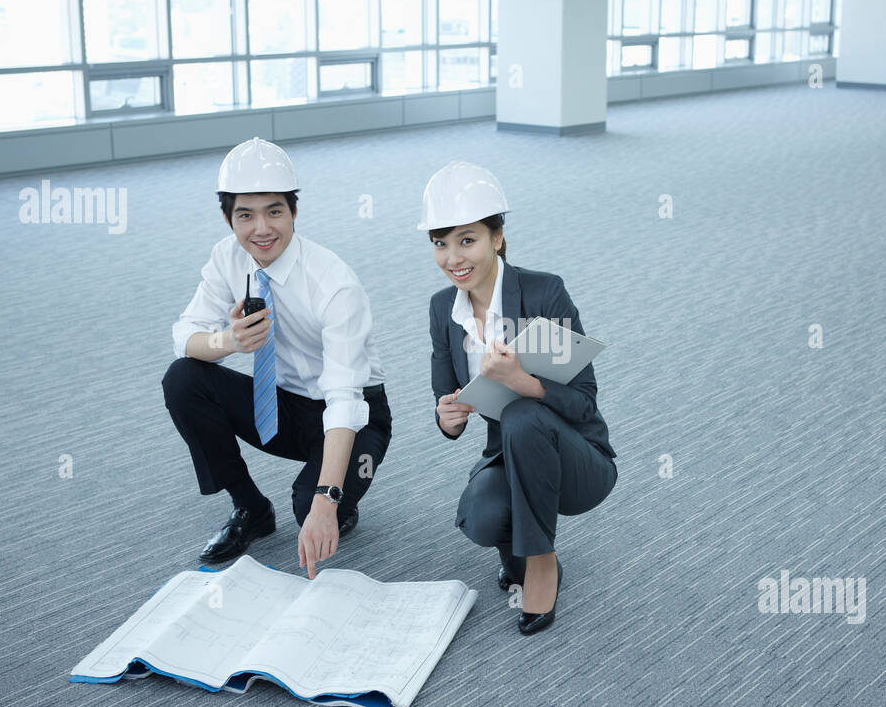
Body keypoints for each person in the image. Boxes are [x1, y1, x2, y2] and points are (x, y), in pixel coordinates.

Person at [163, 137, 391, 577]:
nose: (261, 229)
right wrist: (227, 342)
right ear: (227, 217)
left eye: (275, 211)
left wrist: (327, 500)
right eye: (245, 215)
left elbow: (345, 397)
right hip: (282, 404)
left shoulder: (334, 283)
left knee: (312, 507)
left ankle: (339, 498)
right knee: (184, 378)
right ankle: (250, 509)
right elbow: (184, 335)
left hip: (354, 414)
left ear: (295, 212)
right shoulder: (227, 257)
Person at [424, 161, 617, 635]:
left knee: (524, 413)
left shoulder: (544, 292)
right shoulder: (441, 310)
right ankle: (521, 550)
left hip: (578, 457)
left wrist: (521, 380)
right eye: (440, 243)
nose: (453, 258)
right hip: (509, 457)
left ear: (497, 238)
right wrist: (448, 417)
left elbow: (584, 405)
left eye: (467, 240)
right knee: (479, 518)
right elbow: (449, 404)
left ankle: (542, 561)